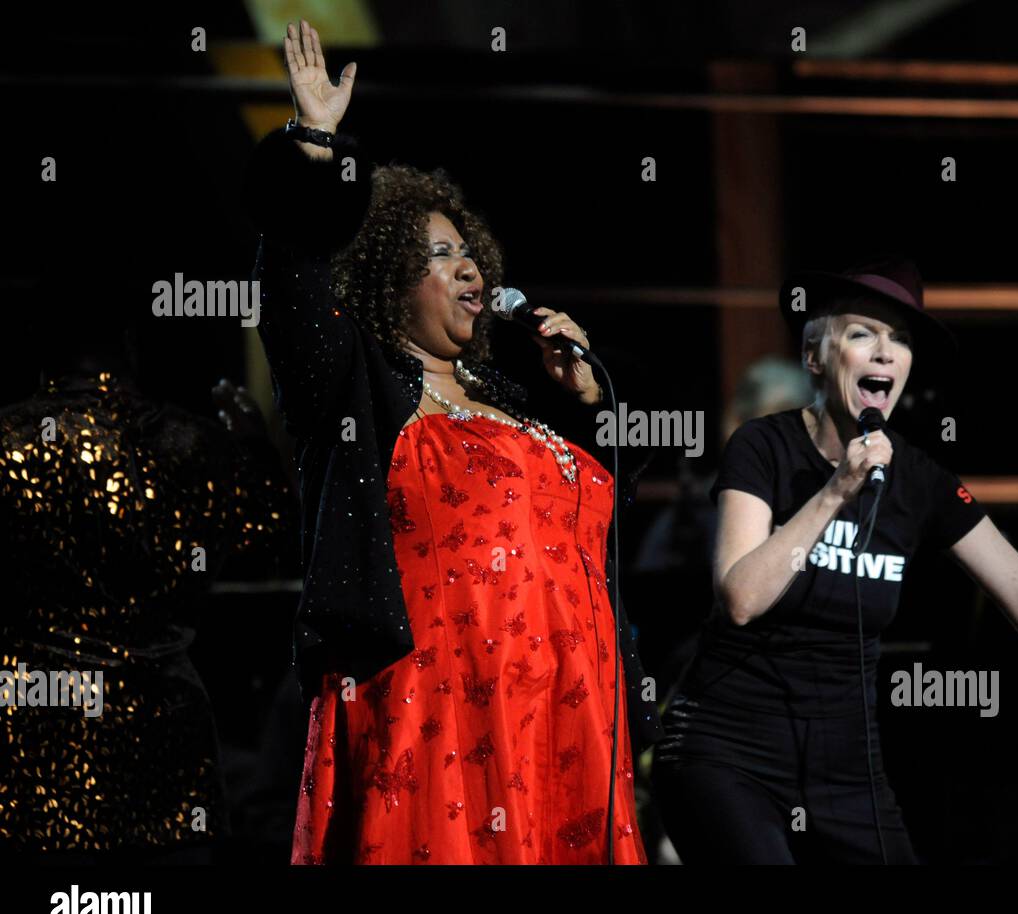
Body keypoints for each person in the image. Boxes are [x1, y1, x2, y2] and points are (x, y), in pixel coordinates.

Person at [245, 19, 656, 864]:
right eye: (442, 256)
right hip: (436, 713)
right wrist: (315, 143)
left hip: (566, 719)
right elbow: (292, 295)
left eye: (473, 254)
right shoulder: (358, 391)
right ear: (388, 280)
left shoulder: (522, 405)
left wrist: (582, 402)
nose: (472, 270)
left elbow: (602, 520)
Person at [652, 260, 1018, 864]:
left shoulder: (920, 481)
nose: (885, 352)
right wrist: (833, 493)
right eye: (861, 334)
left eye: (899, 340)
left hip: (847, 770)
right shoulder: (763, 448)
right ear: (815, 358)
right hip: (727, 753)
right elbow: (740, 598)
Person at [0, 267, 289, 861]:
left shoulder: (8, 440)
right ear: (132, 340)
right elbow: (268, 538)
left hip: (40, 722)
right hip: (164, 723)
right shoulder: (194, 442)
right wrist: (254, 450)